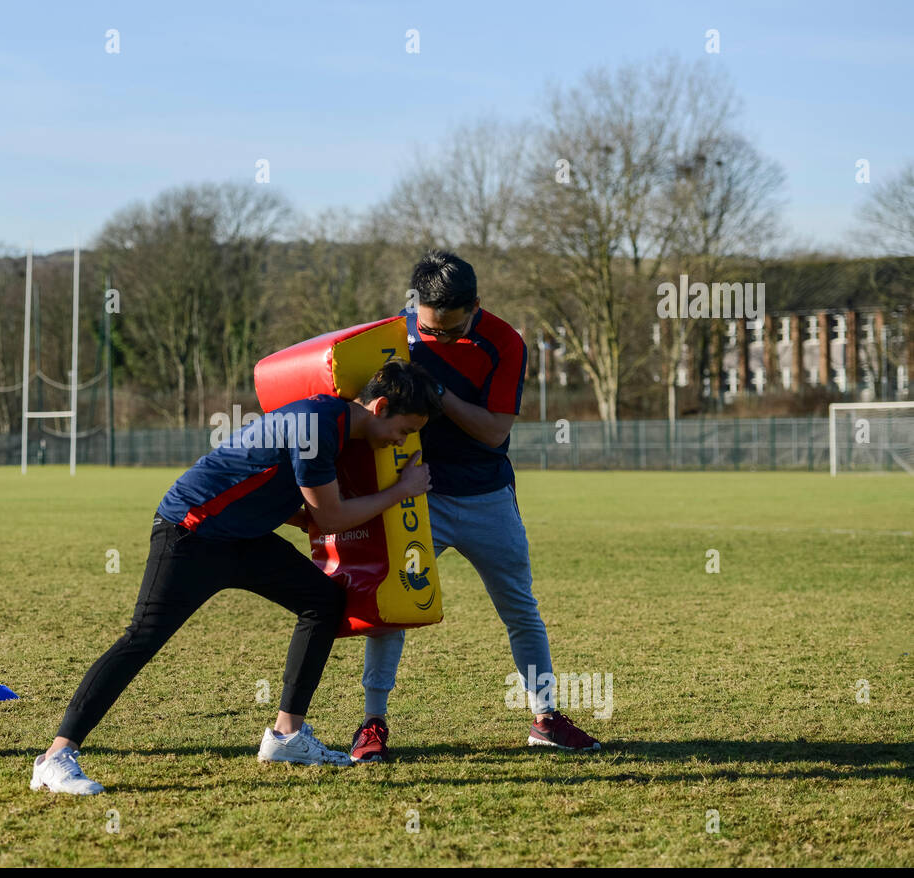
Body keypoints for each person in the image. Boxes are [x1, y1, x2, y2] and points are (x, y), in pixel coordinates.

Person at [31, 358, 443, 794]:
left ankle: (287, 736)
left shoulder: (327, 419)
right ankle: (55, 757)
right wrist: (403, 490)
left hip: (242, 537)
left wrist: (304, 521)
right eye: (402, 430)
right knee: (143, 638)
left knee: (321, 601)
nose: (399, 441)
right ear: (379, 408)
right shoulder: (320, 424)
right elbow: (334, 517)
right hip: (191, 531)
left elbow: (262, 474)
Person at [348, 250, 601, 761]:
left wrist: (437, 394)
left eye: (450, 330)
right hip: (418, 495)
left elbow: (492, 431)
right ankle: (373, 723)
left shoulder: (504, 342)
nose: (437, 338)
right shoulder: (394, 334)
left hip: (487, 496)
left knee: (520, 609)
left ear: (476, 306)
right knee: (393, 609)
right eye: (429, 328)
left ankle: (545, 718)